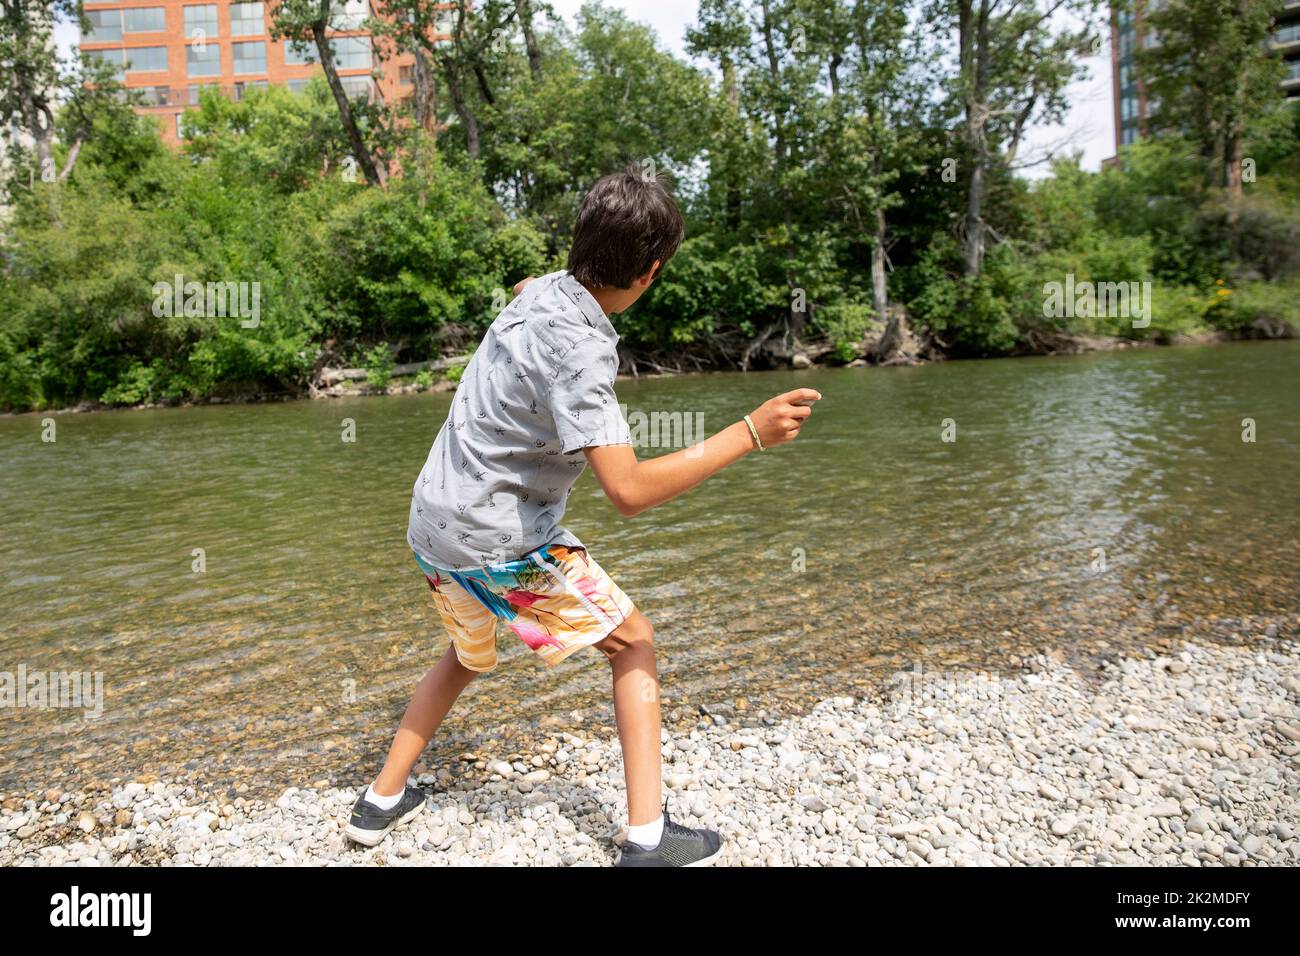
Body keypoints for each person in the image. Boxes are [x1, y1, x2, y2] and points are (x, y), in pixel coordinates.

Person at [345, 167, 819, 866]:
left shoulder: (538, 290)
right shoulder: (585, 352)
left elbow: (524, 287)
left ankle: (379, 803)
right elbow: (625, 490)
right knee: (633, 644)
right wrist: (746, 433)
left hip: (431, 523)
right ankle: (647, 839)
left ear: (578, 243)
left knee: (471, 654)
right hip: (501, 539)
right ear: (652, 272)